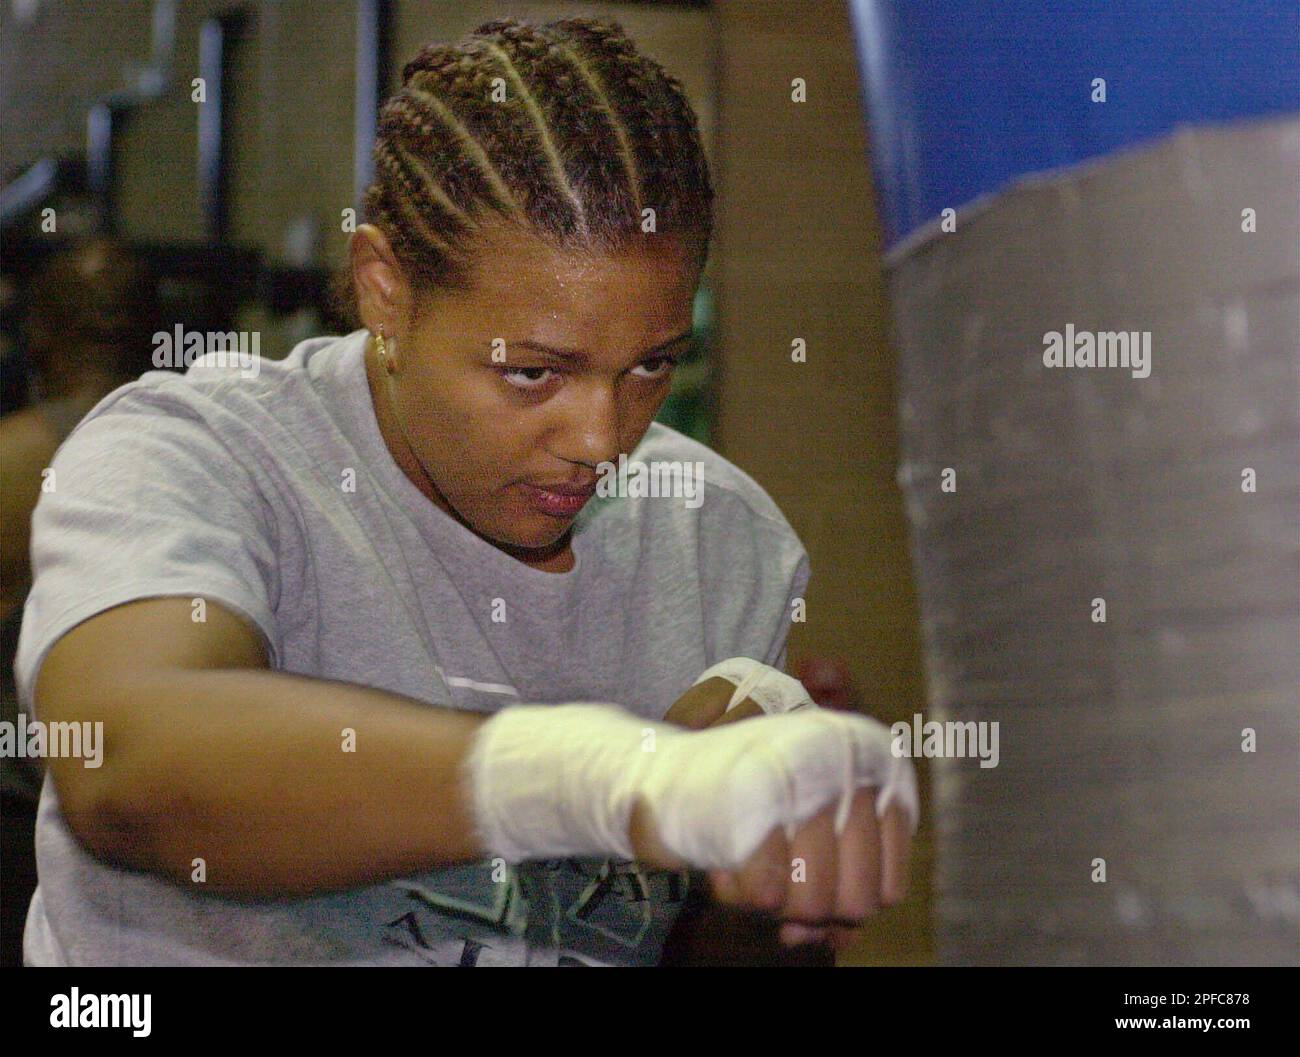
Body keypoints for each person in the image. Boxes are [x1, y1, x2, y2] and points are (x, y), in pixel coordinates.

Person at [13, 16, 916, 967]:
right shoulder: (199, 454)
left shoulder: (718, 543)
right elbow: (128, 762)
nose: (600, 442)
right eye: (533, 373)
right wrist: (612, 778)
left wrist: (779, 871)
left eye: (651, 366)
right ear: (385, 290)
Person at [0, 238, 156, 967]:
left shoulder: (9, 459)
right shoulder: (211, 456)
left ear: (41, 338)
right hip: (145, 814)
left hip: (21, 807)